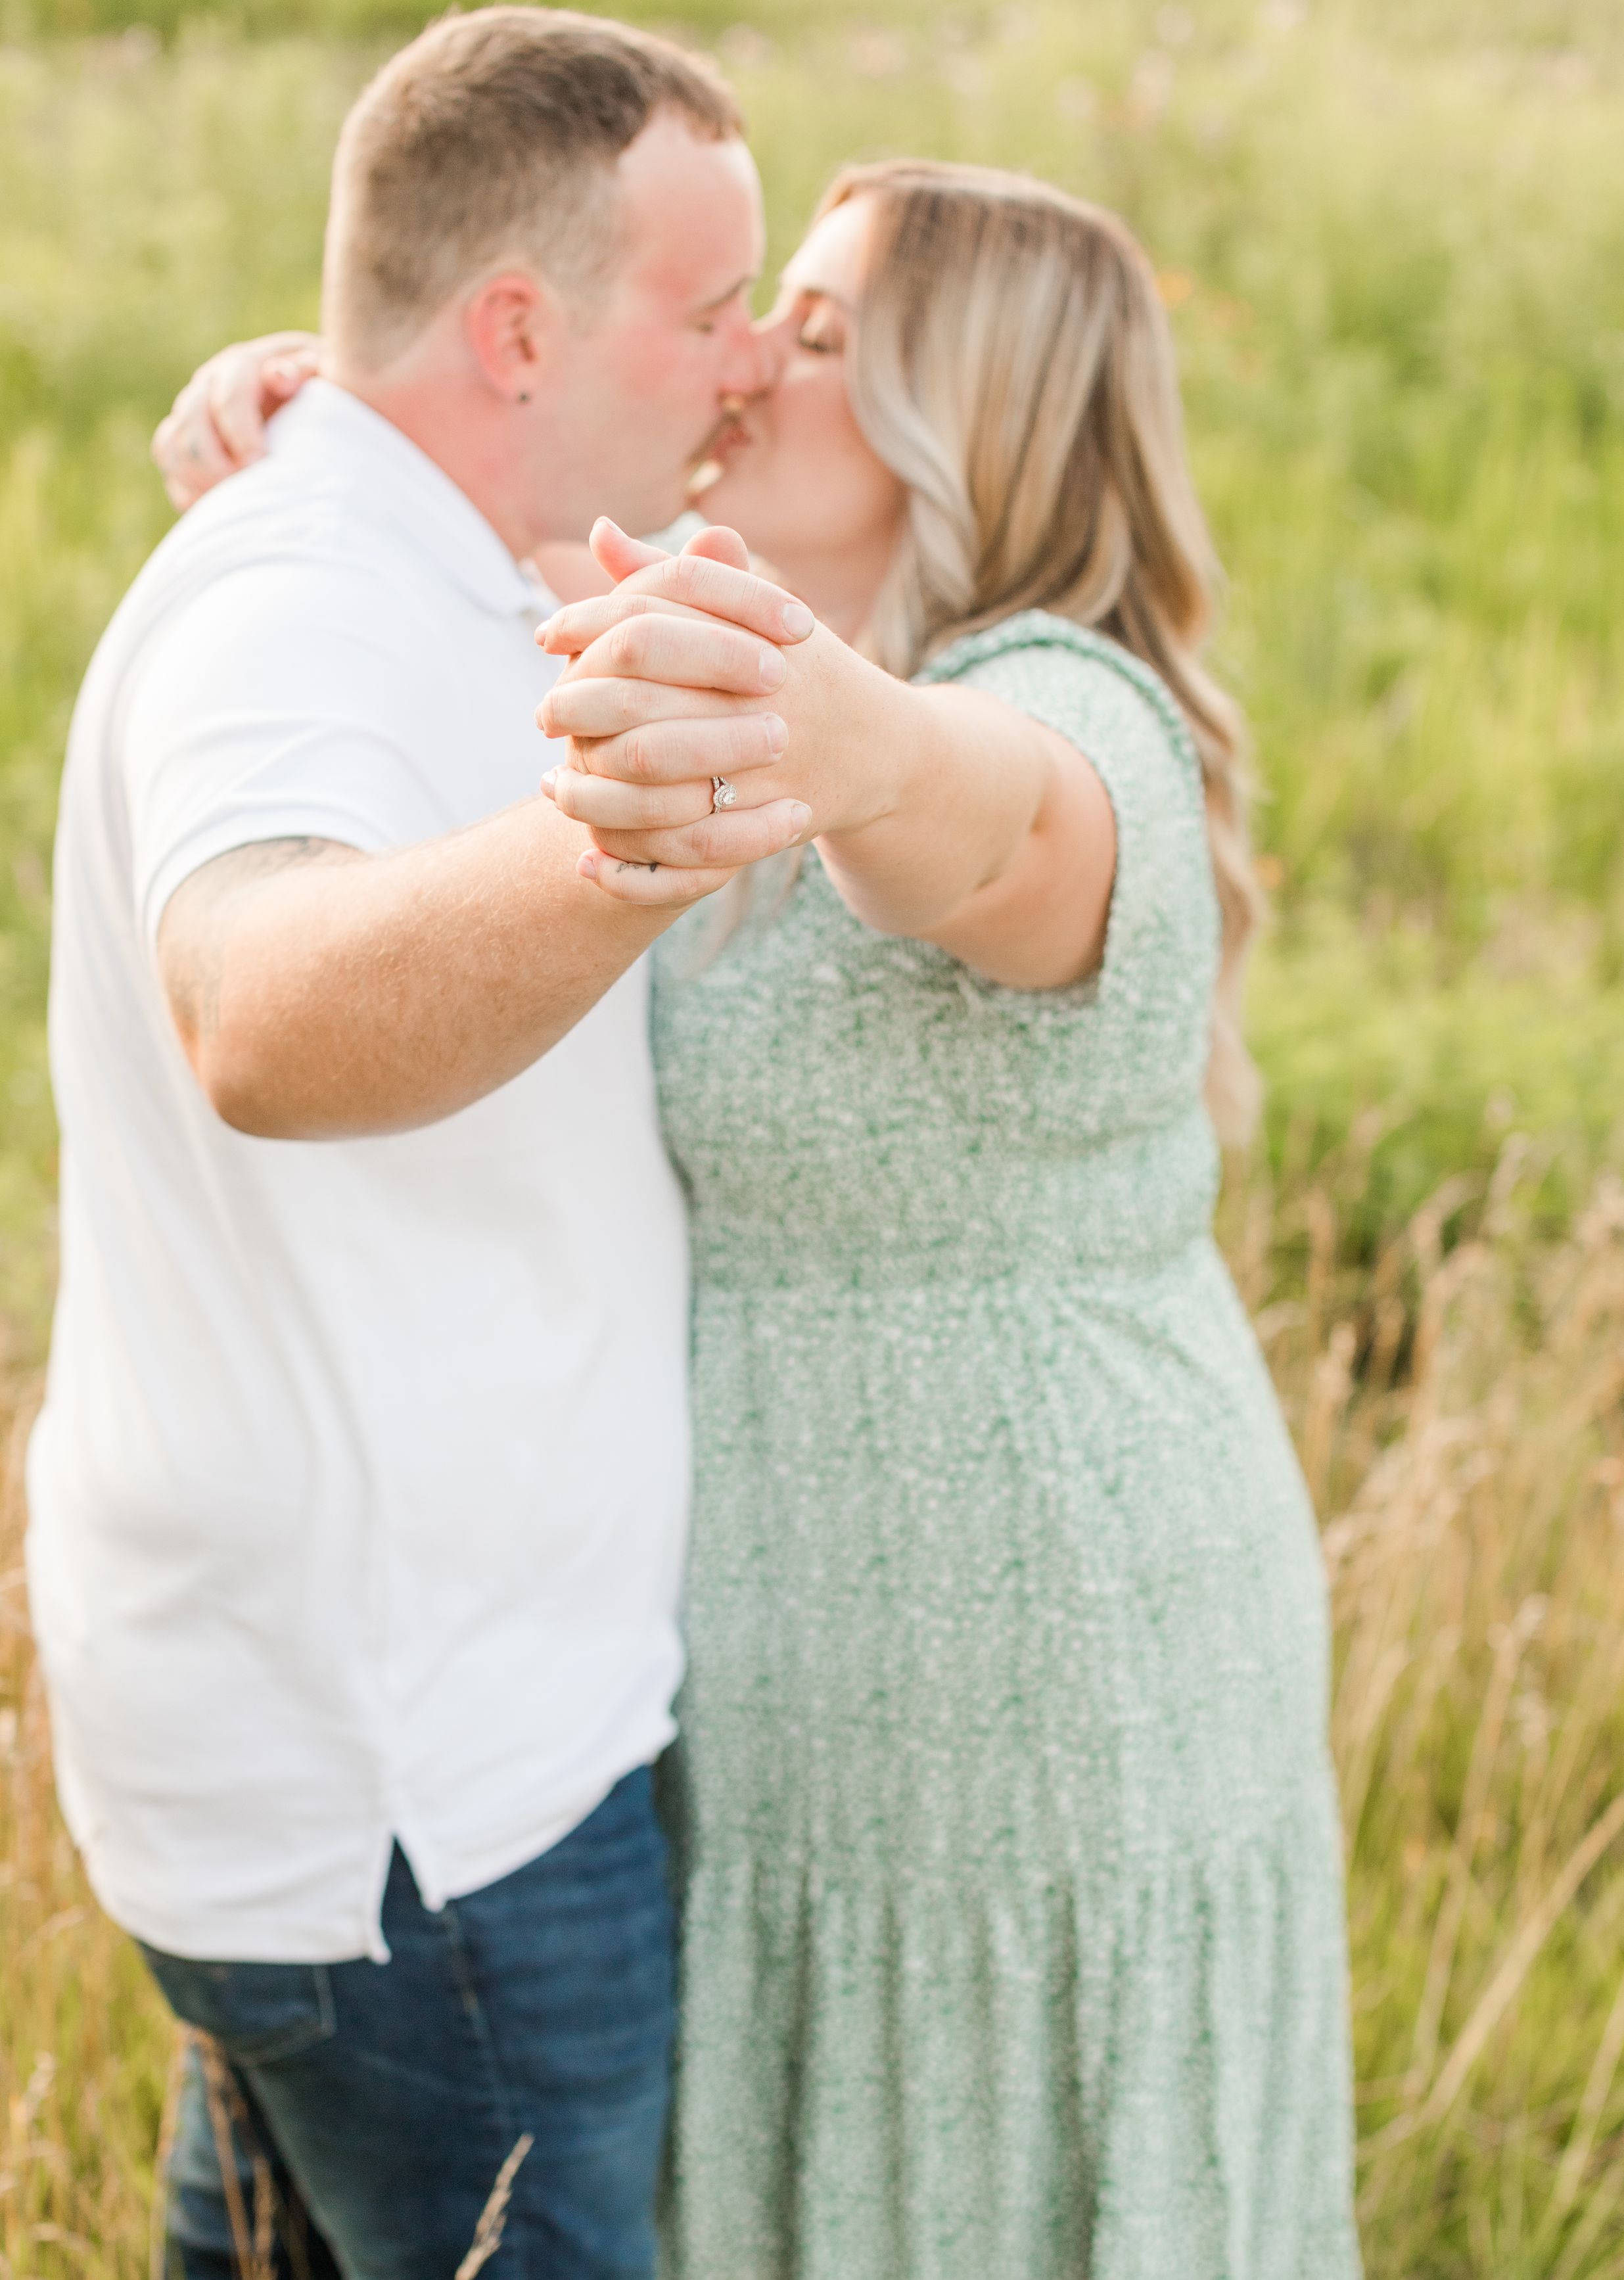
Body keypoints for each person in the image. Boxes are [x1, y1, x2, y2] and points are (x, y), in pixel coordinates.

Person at [158, 163, 1364, 2280]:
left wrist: (840, 727)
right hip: (771, 1670)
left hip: (1043, 1673)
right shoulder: (744, 669)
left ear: (957, 413)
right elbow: (478, 507)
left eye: (809, 334)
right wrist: (333, 422)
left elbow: (966, 814)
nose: (742, 366)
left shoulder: (1063, 721)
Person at [29, 13, 809, 2278]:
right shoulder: (302, 595)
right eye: (710, 303)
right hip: (424, 1805)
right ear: (516, 330)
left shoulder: (425, 550)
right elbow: (258, 1014)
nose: (751, 360)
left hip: (372, 1754)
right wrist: (636, 841)